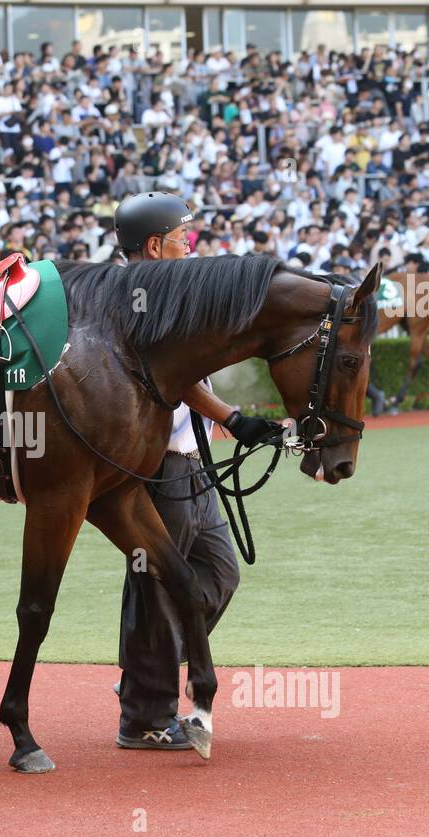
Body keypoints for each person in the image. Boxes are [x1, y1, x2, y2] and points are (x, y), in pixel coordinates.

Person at [111, 191, 280, 750]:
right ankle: (144, 717)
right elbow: (172, 378)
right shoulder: (135, 299)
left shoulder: (168, 292)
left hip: (191, 464)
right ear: (156, 247)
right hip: (159, 470)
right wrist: (232, 416)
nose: (191, 247)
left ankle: (143, 674)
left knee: (219, 574)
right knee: (157, 587)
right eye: (184, 238)